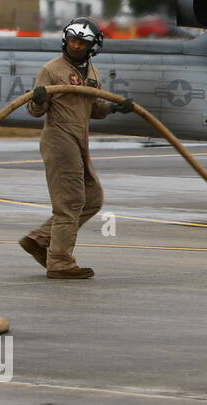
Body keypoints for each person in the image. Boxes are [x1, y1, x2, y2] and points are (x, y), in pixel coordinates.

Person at [18, 17, 133, 279]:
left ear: (93, 46)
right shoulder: (51, 70)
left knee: (92, 199)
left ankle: (40, 239)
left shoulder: (92, 73)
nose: (75, 45)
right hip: (59, 139)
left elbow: (94, 109)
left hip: (79, 140)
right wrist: (38, 101)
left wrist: (114, 107)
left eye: (81, 42)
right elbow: (35, 111)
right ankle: (59, 261)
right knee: (70, 202)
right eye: (72, 40)